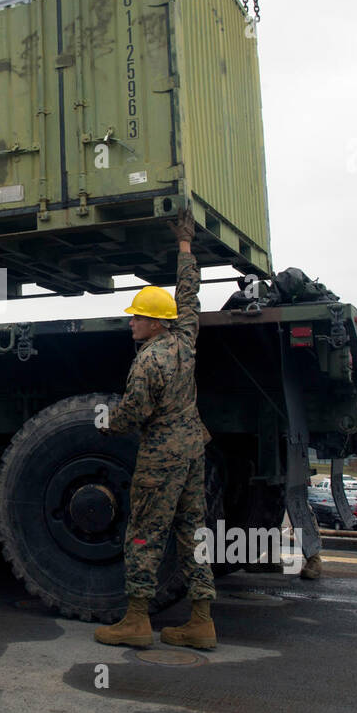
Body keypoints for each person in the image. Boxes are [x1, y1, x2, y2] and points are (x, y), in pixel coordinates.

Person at [95, 209, 217, 649]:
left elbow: (134, 414)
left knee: (145, 531)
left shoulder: (147, 361)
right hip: (192, 452)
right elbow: (189, 298)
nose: (131, 322)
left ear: (153, 323)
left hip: (162, 456)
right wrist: (185, 246)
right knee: (192, 530)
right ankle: (201, 621)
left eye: (136, 317)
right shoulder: (185, 341)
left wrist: (105, 422)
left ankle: (136, 620)